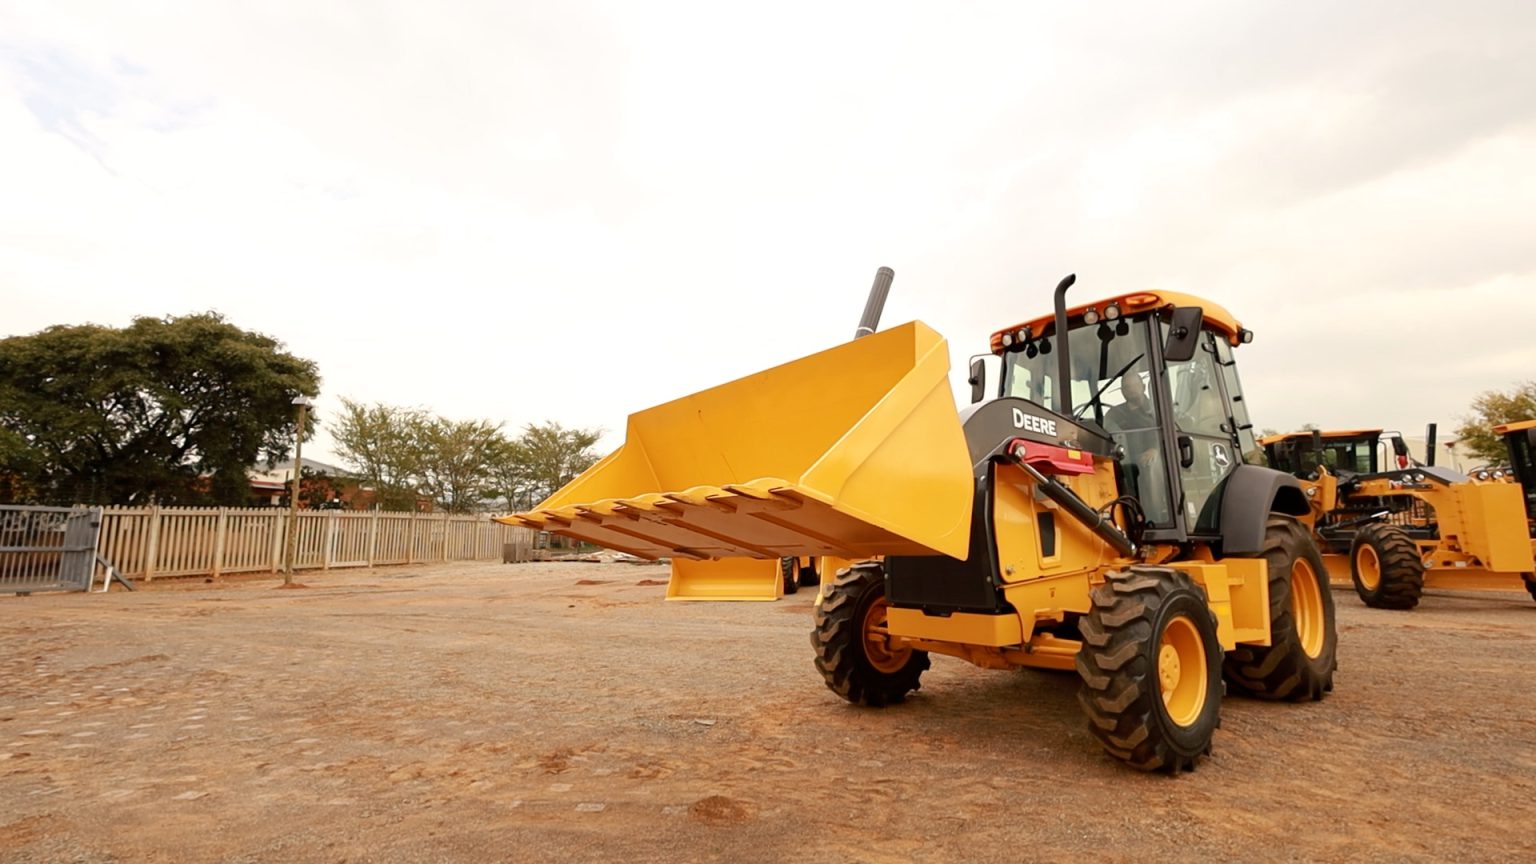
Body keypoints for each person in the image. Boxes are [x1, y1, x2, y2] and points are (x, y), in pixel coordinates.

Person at [1102, 372, 1170, 525]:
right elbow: (1110, 434)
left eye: (1134, 385)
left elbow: (1168, 433)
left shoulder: (1159, 410)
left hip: (1158, 458)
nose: (1131, 389)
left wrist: (1155, 449)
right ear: (1122, 391)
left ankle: (1156, 519)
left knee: (1152, 465)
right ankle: (1126, 518)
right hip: (1125, 460)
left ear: (1143, 387)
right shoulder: (1114, 414)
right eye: (1126, 387)